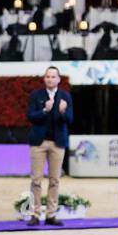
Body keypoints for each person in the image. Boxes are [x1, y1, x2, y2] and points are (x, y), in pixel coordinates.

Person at [27, 66, 73, 226]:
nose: (50, 79)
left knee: (55, 180)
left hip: (57, 143)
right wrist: (45, 110)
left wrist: (62, 112)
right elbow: (30, 116)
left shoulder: (65, 96)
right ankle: (34, 213)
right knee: (36, 180)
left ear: (59, 79)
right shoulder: (36, 95)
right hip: (38, 143)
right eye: (47, 76)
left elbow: (70, 119)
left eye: (53, 77)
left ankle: (51, 215)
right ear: (44, 79)